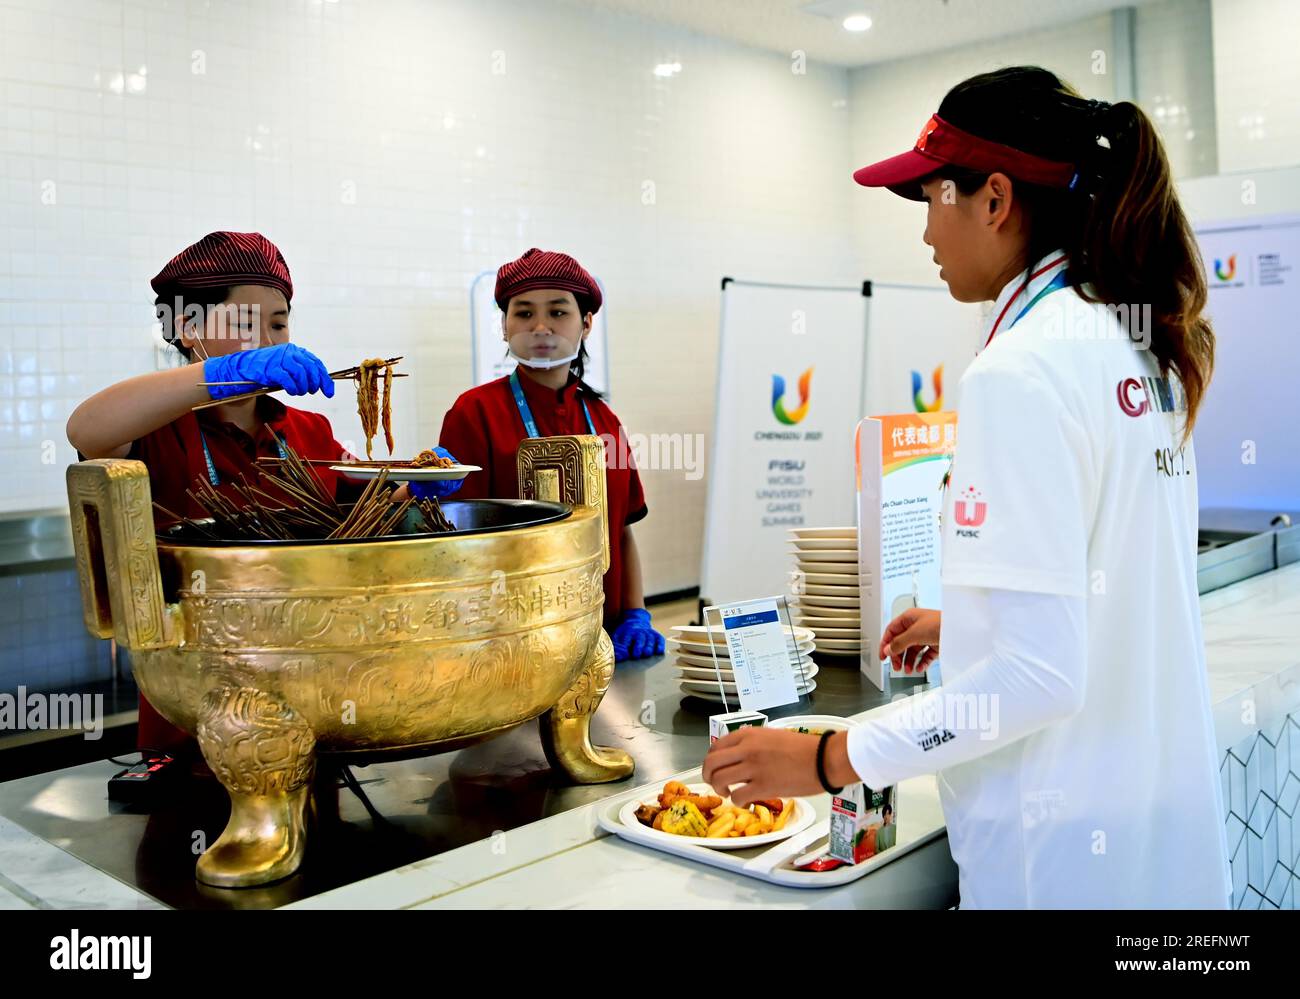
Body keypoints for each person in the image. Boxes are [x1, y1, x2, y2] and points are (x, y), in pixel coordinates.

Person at [704, 67, 1229, 909]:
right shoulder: (1136, 342)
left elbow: (1038, 680)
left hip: (1063, 861)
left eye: (930, 199)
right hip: (1160, 837)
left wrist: (827, 758)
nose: (924, 235)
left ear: (993, 199)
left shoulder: (1019, 372)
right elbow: (1115, 578)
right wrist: (976, 621)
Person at [66, 231, 459, 755]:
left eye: (278, 323)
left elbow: (363, 514)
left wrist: (418, 485)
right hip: (193, 696)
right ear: (187, 327)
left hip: (312, 694)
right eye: (245, 323)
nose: (269, 341)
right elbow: (85, 429)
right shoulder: (158, 429)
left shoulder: (308, 432)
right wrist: (217, 376)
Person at [438, 248, 664, 661]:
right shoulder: (475, 412)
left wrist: (636, 612)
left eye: (558, 313)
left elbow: (623, 529)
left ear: (587, 323)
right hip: (509, 639)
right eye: (523, 314)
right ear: (504, 327)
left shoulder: (604, 419)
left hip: (604, 635)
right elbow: (457, 541)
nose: (541, 327)